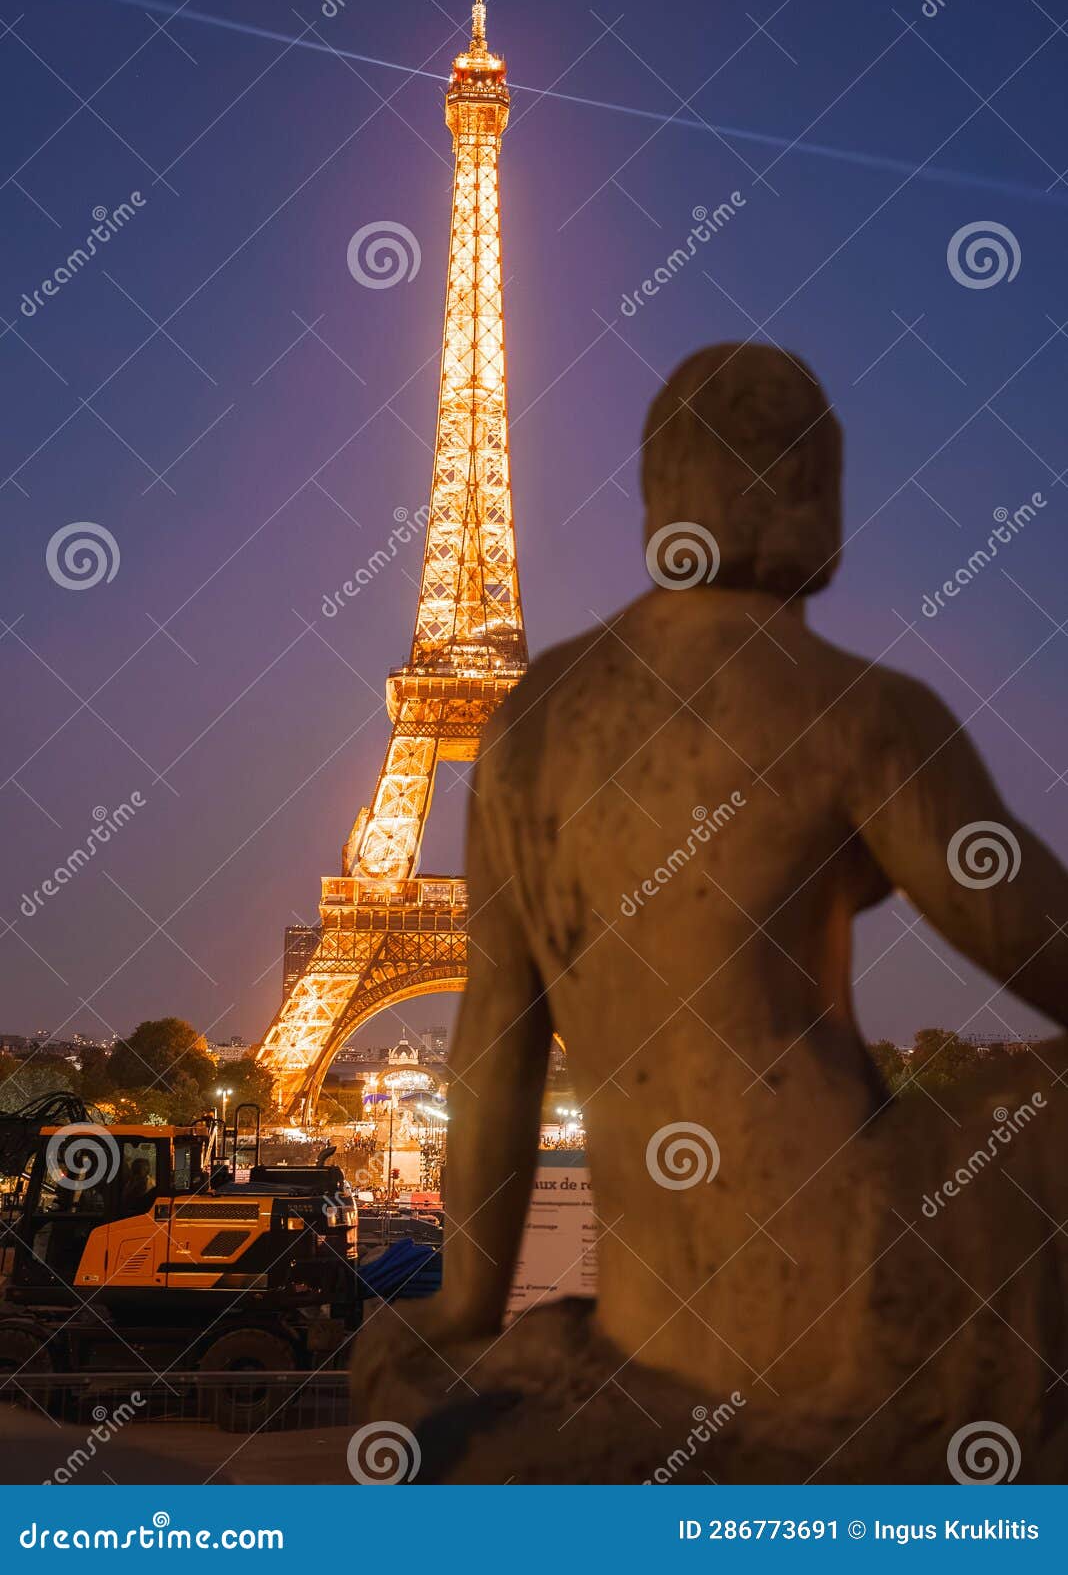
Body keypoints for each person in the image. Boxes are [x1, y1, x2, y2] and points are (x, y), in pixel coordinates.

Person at [353, 343, 1068, 1482]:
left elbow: (495, 1037)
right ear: (802, 489)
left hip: (656, 1311)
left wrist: (463, 1300)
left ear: (660, 495)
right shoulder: (862, 710)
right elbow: (1043, 943)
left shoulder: (529, 723)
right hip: (846, 1281)